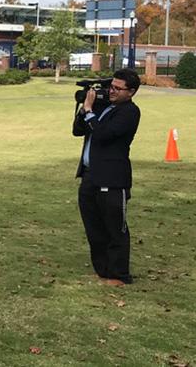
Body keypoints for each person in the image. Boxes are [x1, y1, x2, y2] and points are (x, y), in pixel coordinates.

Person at [72, 68, 141, 287]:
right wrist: (84, 111)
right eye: (111, 86)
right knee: (94, 228)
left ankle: (119, 275)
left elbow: (103, 135)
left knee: (115, 228)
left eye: (117, 88)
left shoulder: (129, 112)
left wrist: (90, 110)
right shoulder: (102, 107)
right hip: (90, 176)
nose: (111, 91)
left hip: (112, 179)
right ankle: (103, 271)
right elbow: (77, 131)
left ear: (131, 92)